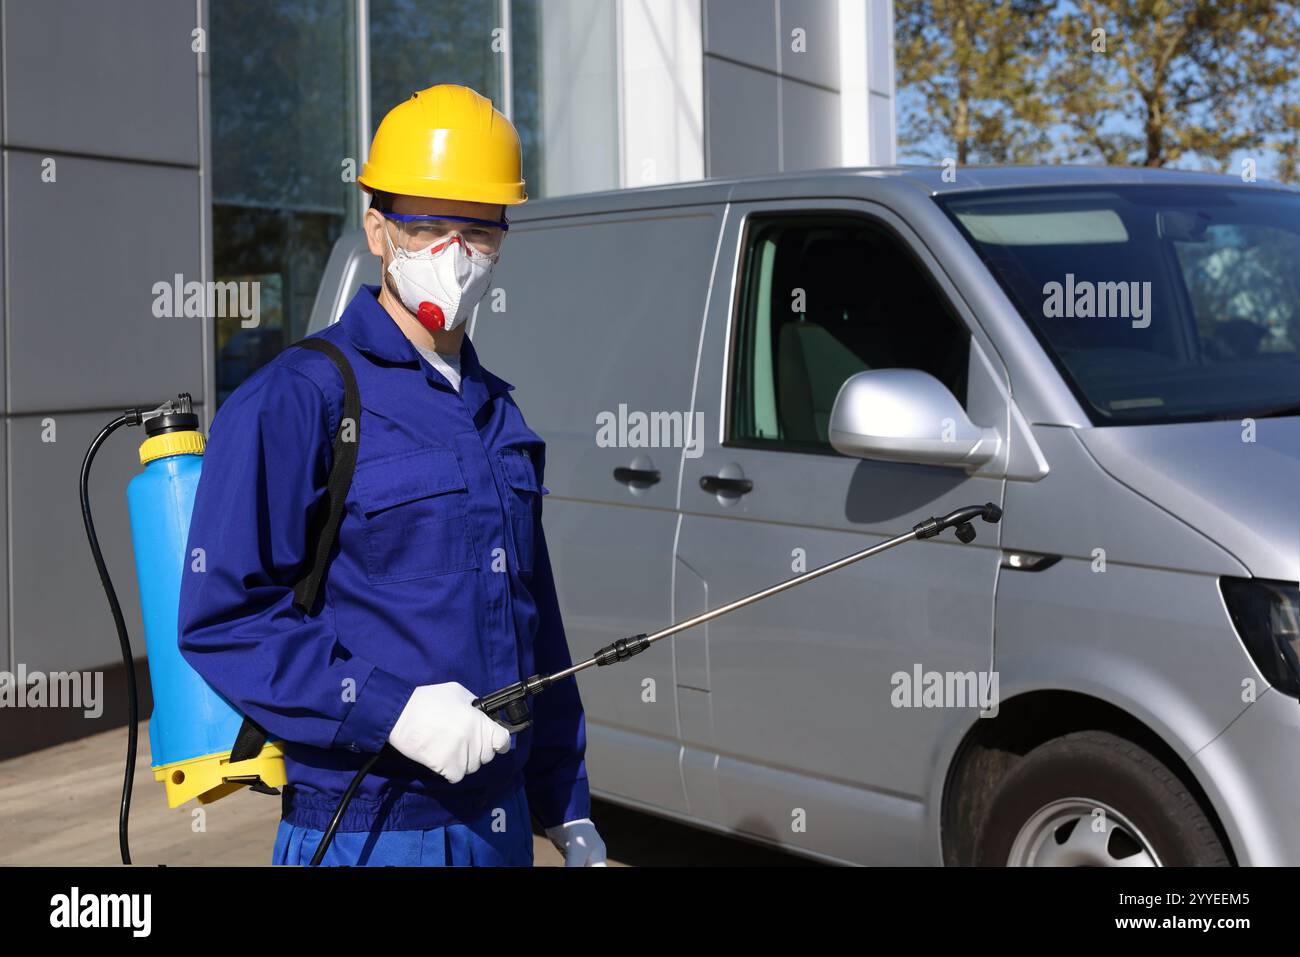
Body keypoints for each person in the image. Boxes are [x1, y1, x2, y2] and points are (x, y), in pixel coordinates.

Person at [178, 84, 606, 867]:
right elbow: (225, 619)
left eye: (476, 227)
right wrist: (393, 710)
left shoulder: (494, 410)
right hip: (369, 826)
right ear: (378, 229)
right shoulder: (298, 398)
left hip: (500, 823)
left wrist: (563, 800)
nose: (454, 250)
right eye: (427, 224)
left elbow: (533, 620)